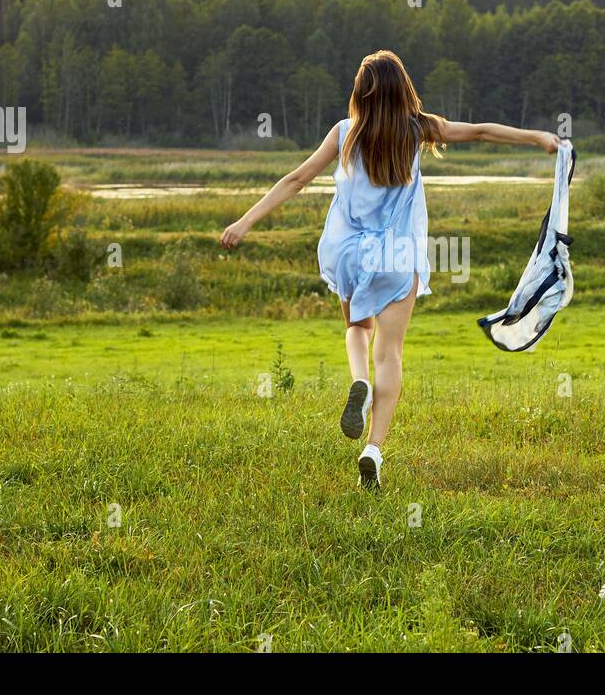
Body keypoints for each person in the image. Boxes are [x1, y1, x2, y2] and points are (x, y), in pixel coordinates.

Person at [221, 50, 559, 488]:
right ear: (404, 90)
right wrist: (538, 138)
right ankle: (374, 449)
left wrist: (244, 222)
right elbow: (479, 131)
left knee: (358, 330)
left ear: (360, 93)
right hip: (397, 258)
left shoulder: (344, 133)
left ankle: (358, 382)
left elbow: (295, 180)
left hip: (347, 252)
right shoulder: (419, 128)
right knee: (391, 352)